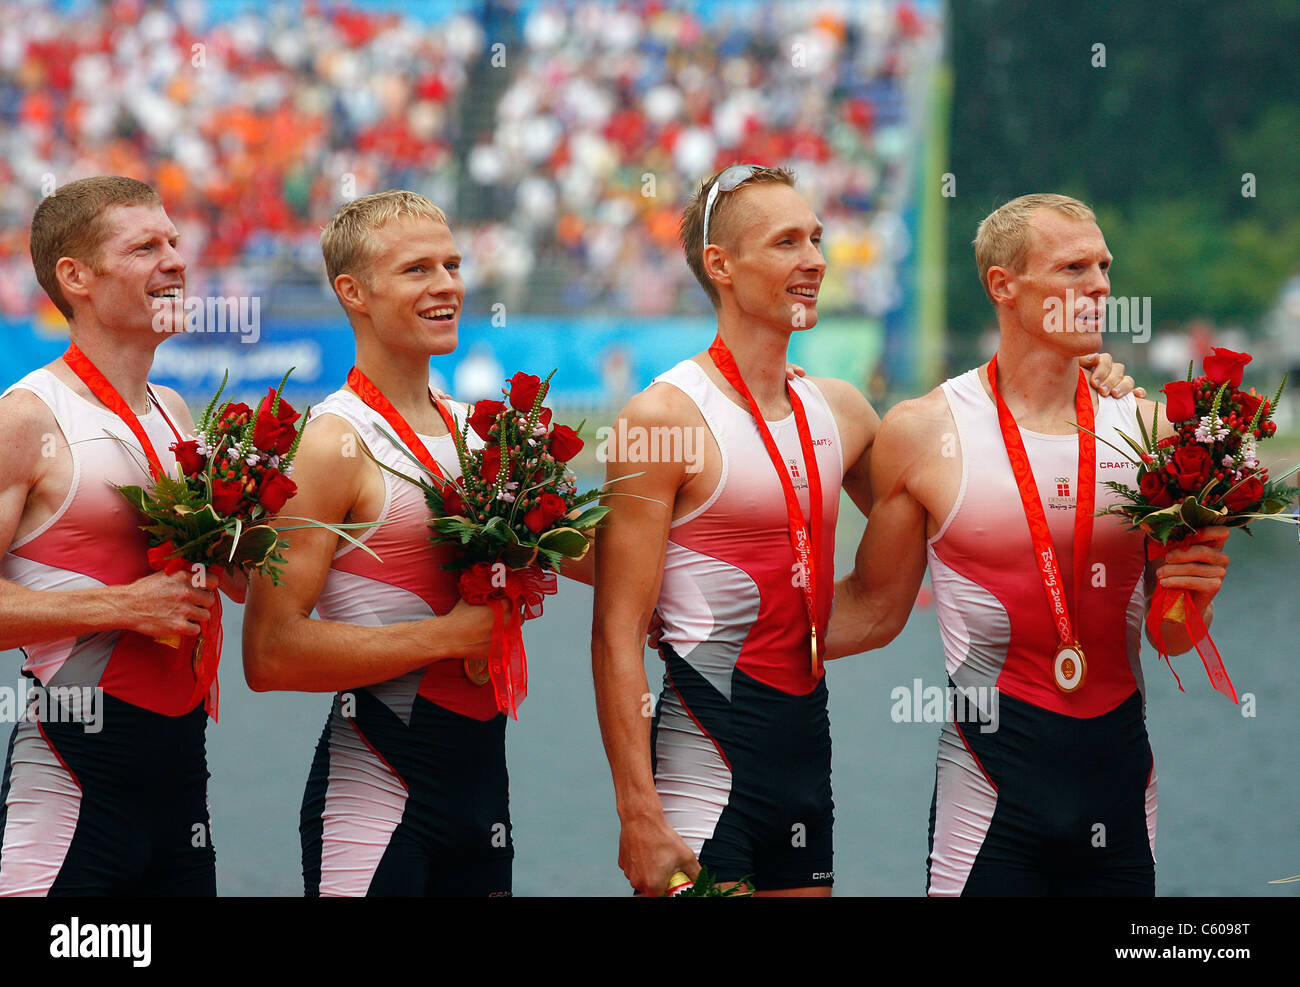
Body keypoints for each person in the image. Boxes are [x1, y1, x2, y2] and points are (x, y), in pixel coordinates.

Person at [591, 168, 1137, 897]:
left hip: (806, 770)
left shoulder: (844, 413)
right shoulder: (662, 420)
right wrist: (637, 813)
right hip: (700, 773)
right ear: (721, 266)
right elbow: (615, 627)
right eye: (787, 242)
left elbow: (971, 524)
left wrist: (1086, 382)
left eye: (817, 237)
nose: (815, 258)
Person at [826, 193, 1231, 896]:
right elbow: (872, 610)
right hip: (987, 799)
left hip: (1121, 795)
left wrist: (1198, 587)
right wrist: (709, 624)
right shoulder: (923, 433)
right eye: (1073, 267)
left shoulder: (1154, 430)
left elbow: (1173, 639)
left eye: (1103, 266)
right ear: (1002, 286)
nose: (1100, 285)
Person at [242, 190, 590, 896]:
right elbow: (269, 652)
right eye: (416, 269)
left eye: (453, 264)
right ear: (354, 291)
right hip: (374, 797)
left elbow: (604, 558)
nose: (446, 285)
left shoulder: (486, 437)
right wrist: (446, 637)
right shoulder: (333, 441)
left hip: (483, 795)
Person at [0, 176, 238, 895]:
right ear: (75, 277)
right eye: (144, 247)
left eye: (173, 240)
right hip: (74, 783)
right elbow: (142, 601)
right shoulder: (28, 418)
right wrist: (122, 608)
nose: (175, 260)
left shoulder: (175, 411)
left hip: (180, 789)